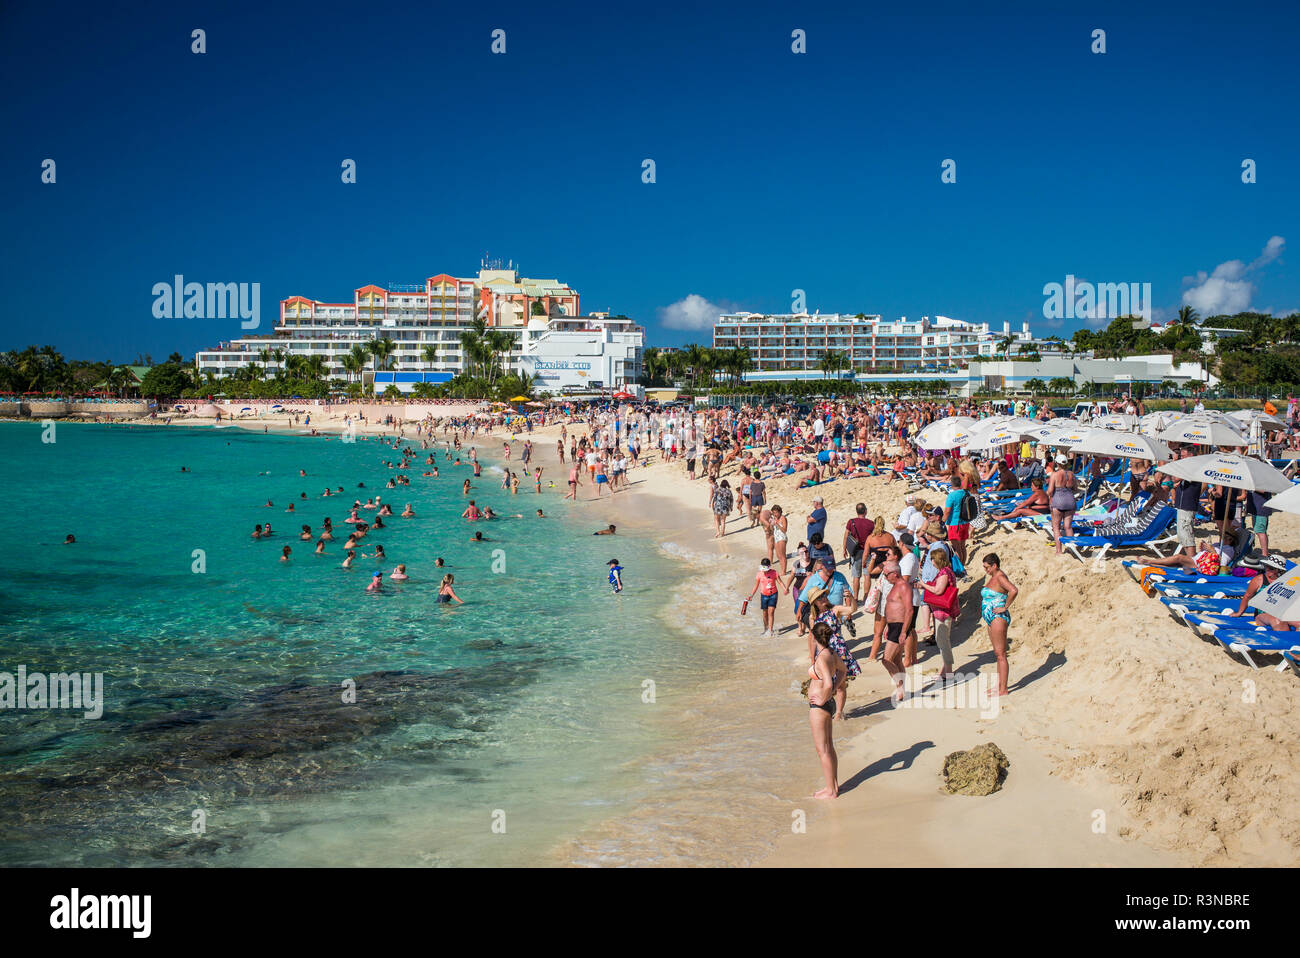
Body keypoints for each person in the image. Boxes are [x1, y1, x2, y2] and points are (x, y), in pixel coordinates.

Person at [806, 621, 844, 800]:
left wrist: (824, 695)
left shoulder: (822, 657)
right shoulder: (831, 652)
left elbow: (827, 682)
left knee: (822, 749)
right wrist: (834, 689)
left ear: (814, 636)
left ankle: (831, 791)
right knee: (829, 746)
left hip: (820, 706)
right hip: (827, 704)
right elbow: (843, 671)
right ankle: (833, 785)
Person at [981, 553, 1018, 697]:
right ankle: (1000, 685)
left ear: (994, 565)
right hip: (991, 617)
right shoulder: (994, 577)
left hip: (998, 617)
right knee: (997, 653)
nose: (986, 570)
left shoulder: (1000, 577)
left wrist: (1005, 606)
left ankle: (1004, 689)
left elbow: (1013, 590)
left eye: (987, 567)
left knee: (1001, 654)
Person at [920, 549, 958, 682]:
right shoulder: (947, 571)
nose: (931, 561)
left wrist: (923, 584)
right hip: (942, 611)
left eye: (932, 558)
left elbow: (938, 590)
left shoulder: (944, 573)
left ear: (936, 560)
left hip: (943, 612)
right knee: (942, 641)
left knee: (943, 642)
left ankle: (948, 673)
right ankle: (945, 672)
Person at [879, 563, 912, 702]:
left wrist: (904, 631)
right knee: (897, 660)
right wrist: (887, 625)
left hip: (899, 626)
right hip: (893, 626)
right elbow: (892, 607)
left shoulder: (903, 586)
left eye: (886, 575)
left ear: (895, 573)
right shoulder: (895, 586)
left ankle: (899, 686)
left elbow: (909, 610)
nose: (885, 578)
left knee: (886, 660)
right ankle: (902, 691)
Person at [1046, 454, 1078, 555]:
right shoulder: (1072, 474)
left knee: (1056, 527)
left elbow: (1050, 491)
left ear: (1057, 463)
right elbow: (1076, 489)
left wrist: (1048, 496)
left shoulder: (1054, 474)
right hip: (1070, 500)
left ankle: (1059, 551)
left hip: (1058, 501)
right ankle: (1072, 549)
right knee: (1068, 527)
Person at [843, 503, 874, 603]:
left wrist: (844, 549)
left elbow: (846, 536)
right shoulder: (871, 523)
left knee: (856, 576)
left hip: (855, 552)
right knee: (867, 575)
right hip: (867, 551)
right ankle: (865, 598)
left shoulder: (851, 522)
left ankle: (855, 597)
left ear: (857, 511)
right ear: (865, 511)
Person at [747, 558, 781, 636]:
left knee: (771, 612)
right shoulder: (759, 574)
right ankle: (766, 629)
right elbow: (756, 586)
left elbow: (779, 581)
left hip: (773, 594)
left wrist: (785, 588)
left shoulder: (774, 572)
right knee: (765, 613)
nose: (764, 570)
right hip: (764, 595)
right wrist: (751, 595)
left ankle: (770, 630)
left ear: (769, 566)